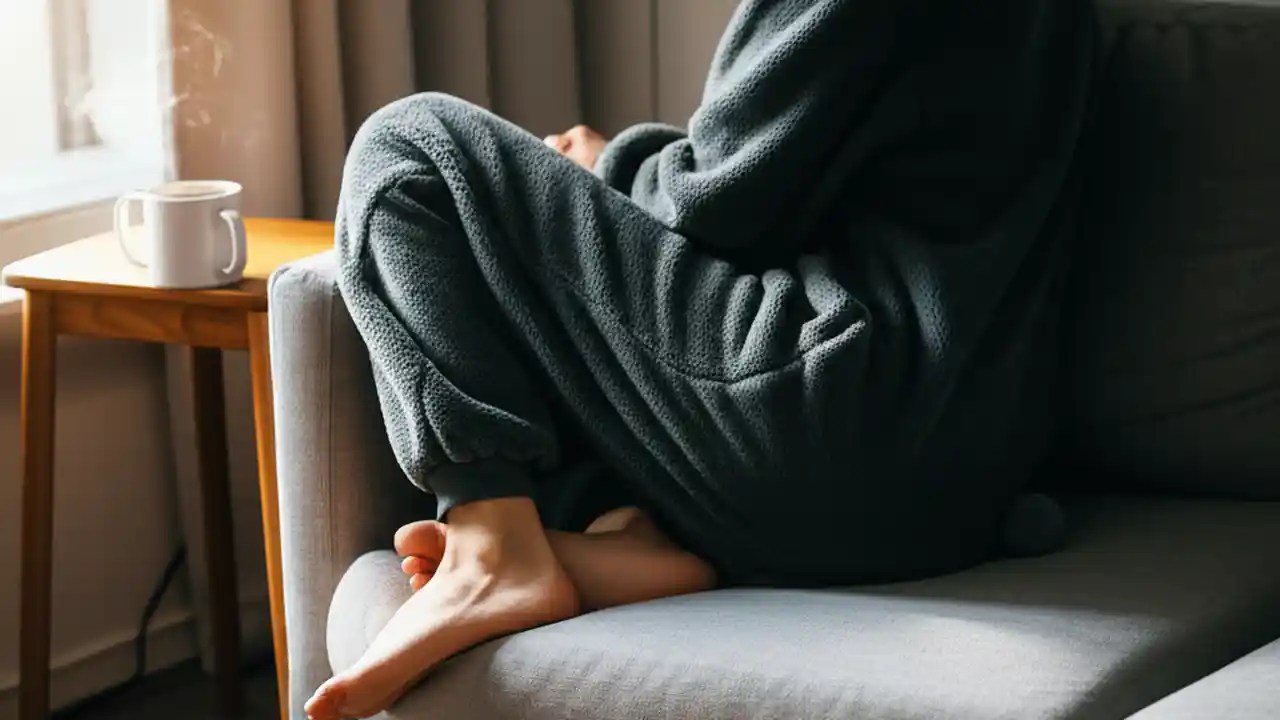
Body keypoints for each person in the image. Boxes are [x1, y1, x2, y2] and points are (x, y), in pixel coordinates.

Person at [304, 0, 1096, 717]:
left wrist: (610, 165)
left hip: (840, 416)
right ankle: (632, 538)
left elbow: (716, 202)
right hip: (965, 491)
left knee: (409, 147)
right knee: (579, 347)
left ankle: (494, 551)